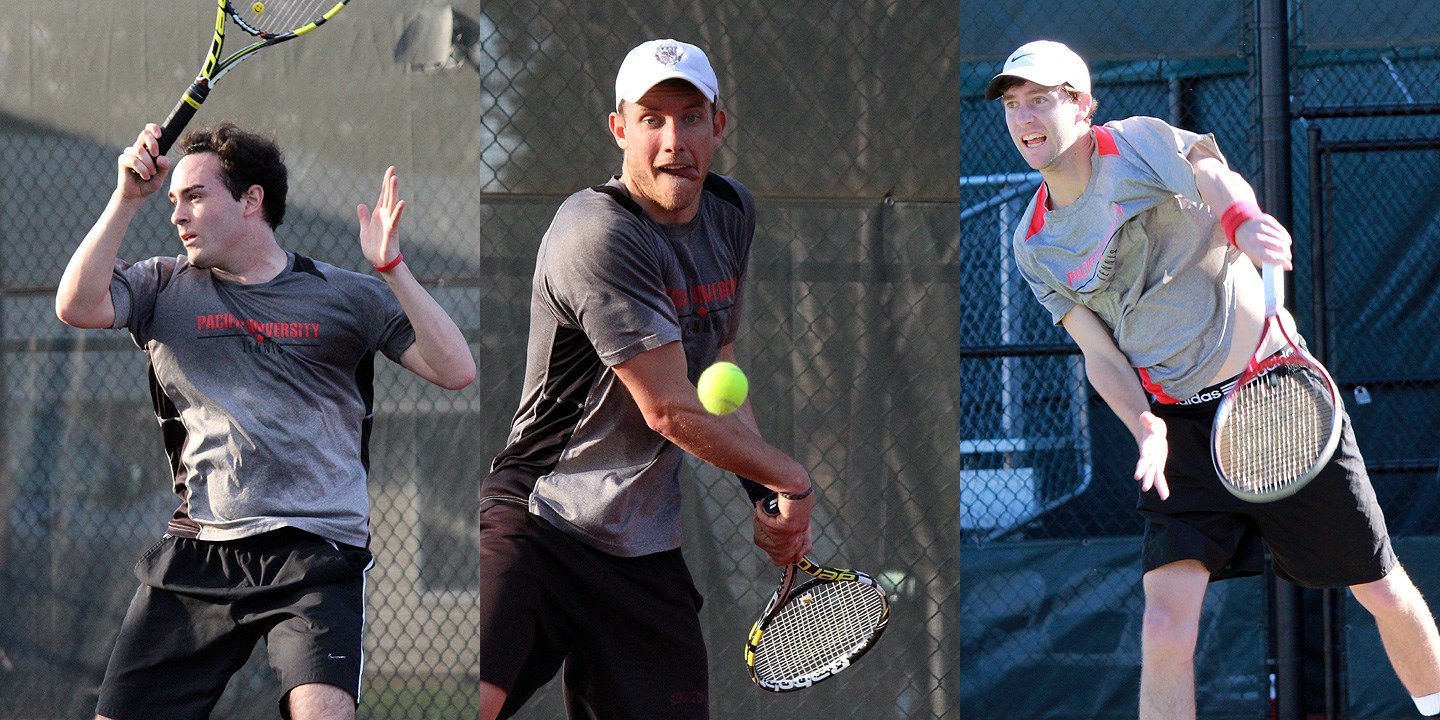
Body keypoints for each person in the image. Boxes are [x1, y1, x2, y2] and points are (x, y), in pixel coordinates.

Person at [987, 39, 1440, 718]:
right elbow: (1101, 355)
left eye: (1041, 99)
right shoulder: (1033, 243)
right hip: (1179, 434)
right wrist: (1144, 424)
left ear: (1082, 107)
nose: (1025, 116)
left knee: (1378, 587)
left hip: (1272, 398)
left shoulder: (1138, 142)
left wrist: (1244, 224)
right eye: (1013, 105)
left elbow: (1213, 177)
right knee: (1165, 624)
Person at [55, 122, 476, 720]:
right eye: (173, 199)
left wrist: (394, 270)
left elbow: (456, 370)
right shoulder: (161, 285)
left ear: (251, 200)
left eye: (195, 196)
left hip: (314, 549)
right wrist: (126, 197)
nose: (178, 214)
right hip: (201, 547)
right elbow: (74, 305)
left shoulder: (346, 295)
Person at [477, 38, 815, 719]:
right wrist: (790, 478)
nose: (673, 140)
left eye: (691, 117)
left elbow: (714, 366)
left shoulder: (730, 213)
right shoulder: (597, 232)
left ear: (718, 125)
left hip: (644, 545)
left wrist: (761, 486)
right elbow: (668, 408)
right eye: (652, 119)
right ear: (620, 129)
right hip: (541, 519)